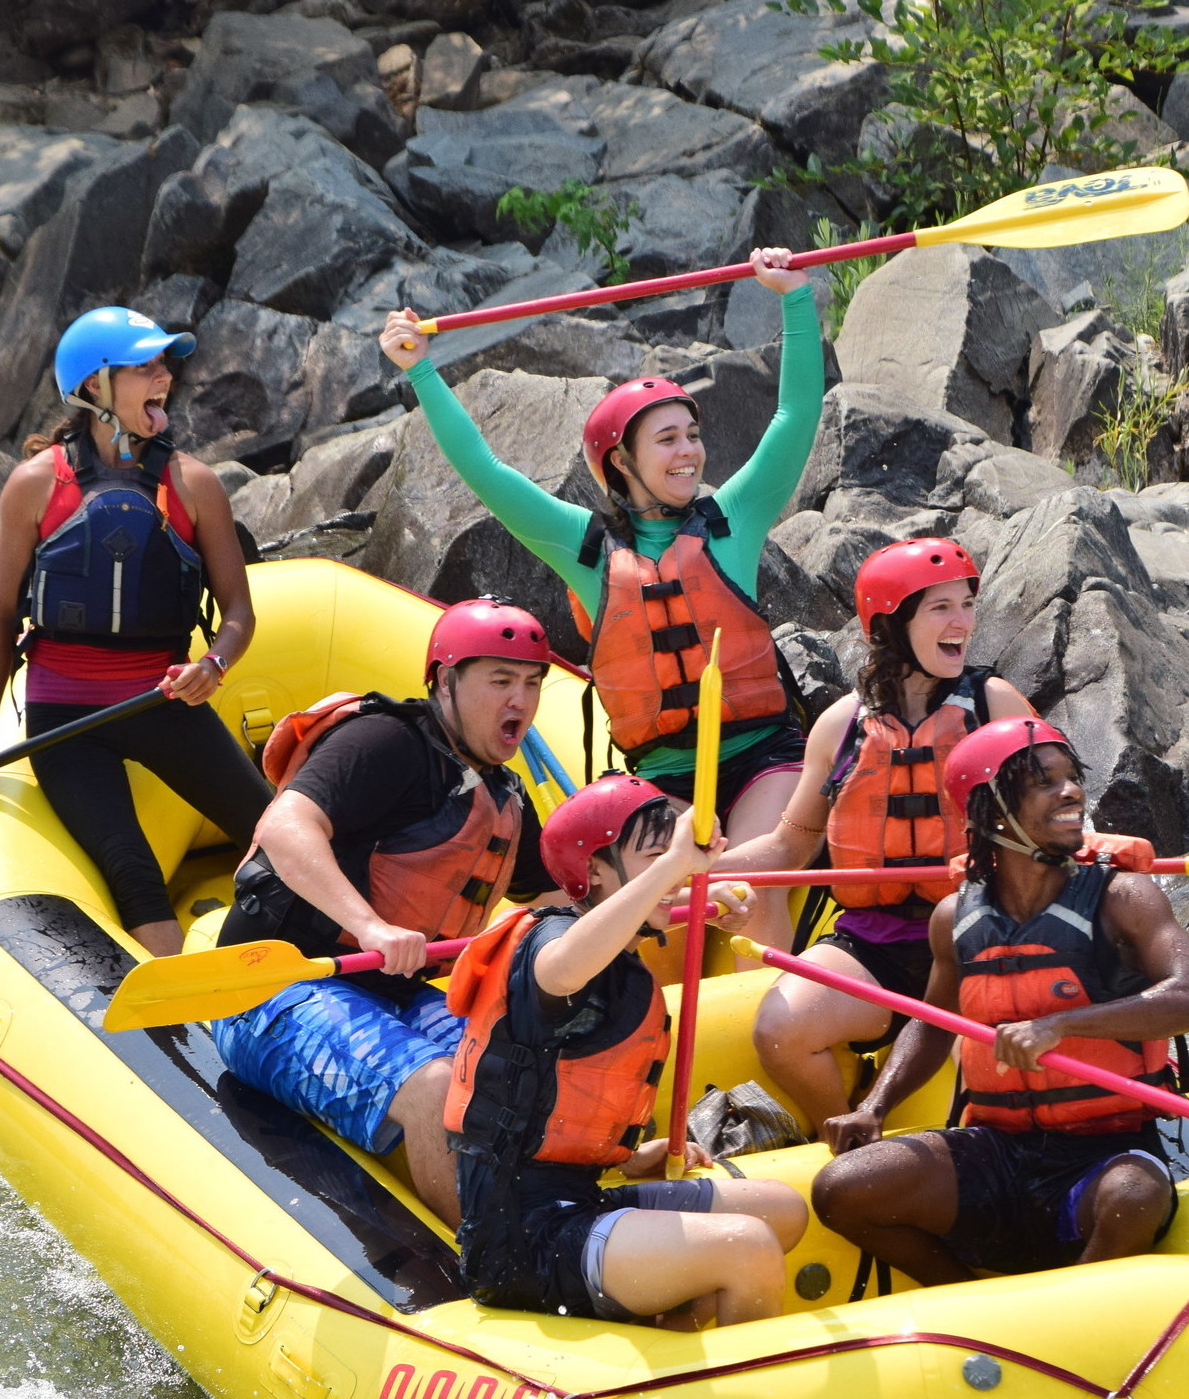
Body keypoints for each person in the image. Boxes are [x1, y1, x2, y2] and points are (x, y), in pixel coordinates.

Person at [378, 246, 825, 950]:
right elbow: (485, 471)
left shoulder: (731, 521)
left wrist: (794, 298)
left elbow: (796, 415)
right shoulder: (588, 551)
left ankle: (763, 993)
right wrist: (421, 371)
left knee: (750, 891)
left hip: (764, 754)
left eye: (693, 435)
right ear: (620, 461)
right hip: (660, 775)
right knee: (643, 917)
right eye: (667, 439)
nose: (689, 452)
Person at [810, 717, 1189, 1286]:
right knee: (842, 1189)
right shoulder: (954, 917)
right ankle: (964, 1300)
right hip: (997, 1149)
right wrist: (874, 1107)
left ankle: (1074, 1313)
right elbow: (932, 1025)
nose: (1071, 792)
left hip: (1109, 1149)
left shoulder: (1123, 898)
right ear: (993, 812)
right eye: (1044, 782)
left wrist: (1060, 1025)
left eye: (1071, 778)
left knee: (1133, 1198)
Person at [212, 598, 562, 1227]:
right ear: (445, 682)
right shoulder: (384, 742)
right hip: (272, 991)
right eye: (501, 681)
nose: (521, 700)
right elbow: (284, 827)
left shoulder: (502, 791)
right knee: (436, 1086)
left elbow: (559, 902)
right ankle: (491, 1262)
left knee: (529, 1070)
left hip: (389, 995)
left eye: (532, 684)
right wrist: (370, 927)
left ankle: (560, 1220)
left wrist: (671, 901)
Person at [0, 305, 270, 958]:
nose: (164, 376)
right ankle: (179, 1007)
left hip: (163, 701)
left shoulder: (194, 484)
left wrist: (214, 666)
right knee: (131, 868)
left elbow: (238, 612)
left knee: (274, 835)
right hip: (67, 720)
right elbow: (2, 618)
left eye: (164, 364)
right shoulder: (34, 485)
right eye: (145, 367)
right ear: (95, 385)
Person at [448, 772, 808, 1327]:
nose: (675, 871)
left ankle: (680, 1341)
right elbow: (563, 968)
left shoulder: (616, 948)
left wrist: (629, 1157)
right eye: (655, 857)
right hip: (523, 1238)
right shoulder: (552, 945)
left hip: (578, 1199)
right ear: (593, 870)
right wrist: (677, 866)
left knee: (782, 1211)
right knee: (748, 1245)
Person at [714, 540, 1034, 1136]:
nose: (963, 622)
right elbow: (789, 846)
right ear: (890, 625)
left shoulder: (995, 705)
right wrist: (690, 870)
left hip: (977, 937)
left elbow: (1055, 819)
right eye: (941, 608)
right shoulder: (841, 725)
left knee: (989, 1073)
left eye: (967, 604)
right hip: (873, 944)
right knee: (779, 1030)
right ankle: (846, 1140)